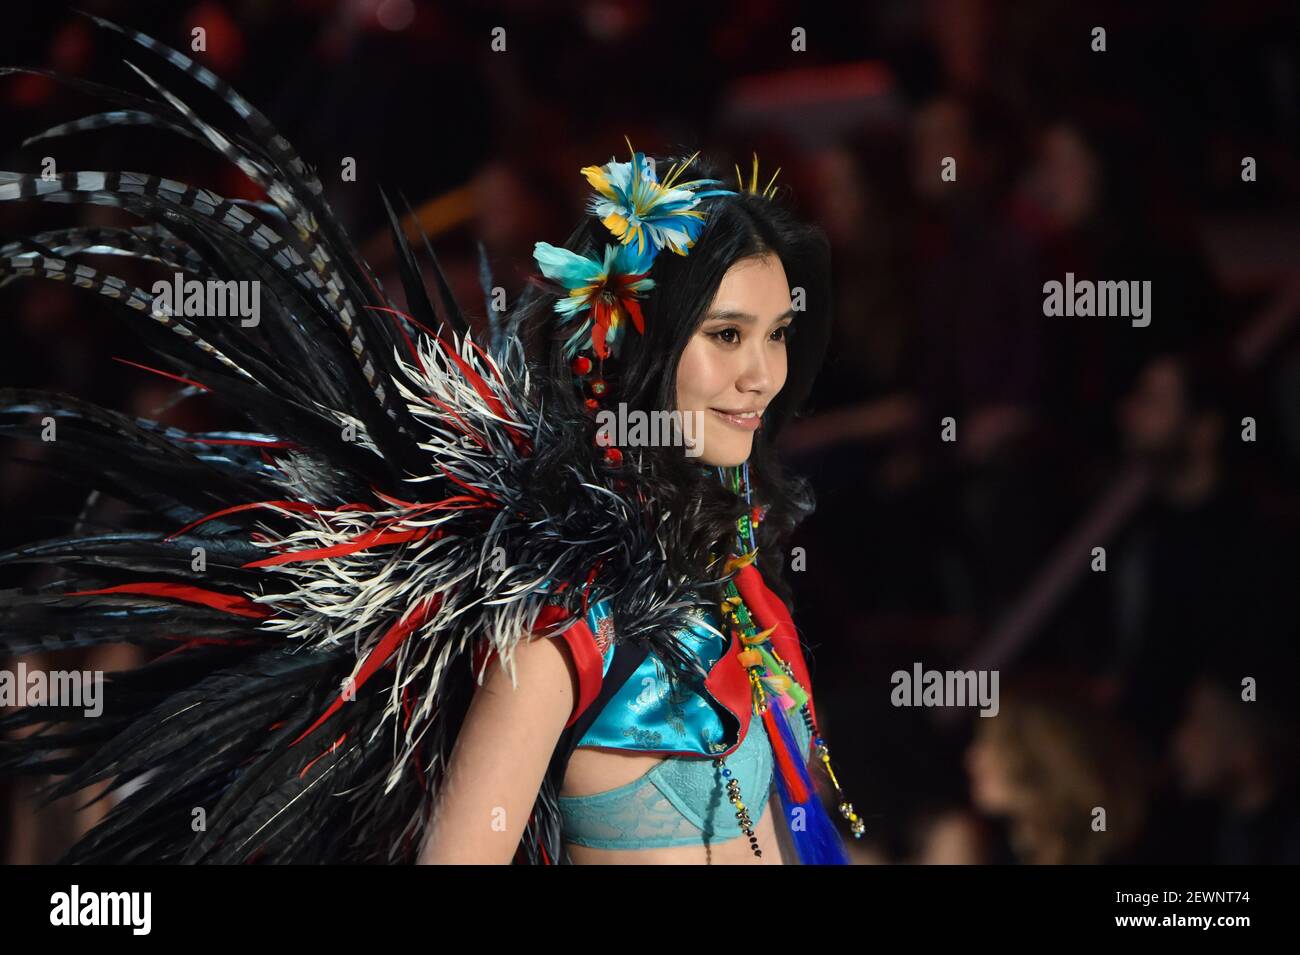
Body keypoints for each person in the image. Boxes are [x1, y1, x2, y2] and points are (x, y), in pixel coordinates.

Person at [0, 16, 861, 864]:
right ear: (637, 350)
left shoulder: (740, 598)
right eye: (726, 334)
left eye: (778, 333)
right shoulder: (562, 641)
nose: (763, 374)